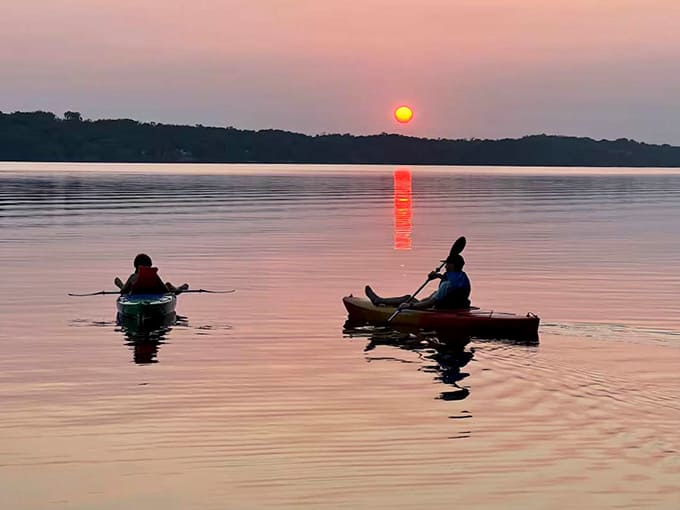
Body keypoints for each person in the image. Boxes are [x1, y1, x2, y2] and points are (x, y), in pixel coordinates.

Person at [365, 253, 471, 311]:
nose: (446, 266)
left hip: (440, 310)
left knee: (407, 298)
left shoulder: (446, 284)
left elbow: (430, 303)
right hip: (458, 307)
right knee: (418, 300)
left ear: (452, 265)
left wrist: (409, 306)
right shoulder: (463, 277)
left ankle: (378, 301)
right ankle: (386, 303)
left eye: (447, 264)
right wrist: (438, 276)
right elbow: (450, 285)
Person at [114, 253, 189, 295]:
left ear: (136, 266)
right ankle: (179, 289)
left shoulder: (133, 277)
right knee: (168, 285)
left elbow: (123, 292)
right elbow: (165, 290)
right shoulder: (154, 276)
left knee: (125, 288)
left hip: (136, 293)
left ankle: (120, 284)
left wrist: (124, 289)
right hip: (154, 294)